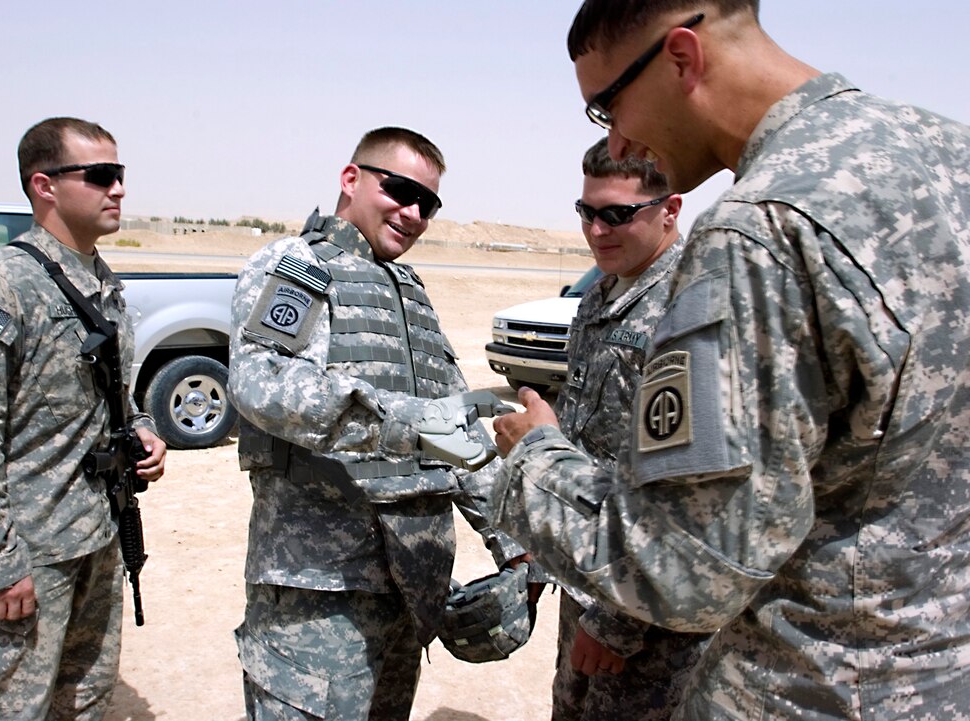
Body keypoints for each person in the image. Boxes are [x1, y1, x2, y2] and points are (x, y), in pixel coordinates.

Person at [485, 2, 970, 719]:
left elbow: (688, 565)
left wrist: (537, 460)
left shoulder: (758, 229)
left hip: (809, 689)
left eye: (606, 107)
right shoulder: (946, 153)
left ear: (682, 55)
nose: (618, 139)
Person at [229, 126, 529, 721]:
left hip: (408, 587)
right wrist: (401, 423)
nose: (413, 212)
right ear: (351, 180)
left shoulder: (409, 291)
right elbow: (262, 381)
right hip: (319, 591)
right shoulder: (300, 266)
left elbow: (455, 433)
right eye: (399, 189)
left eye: (429, 203)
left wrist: (516, 544)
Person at [0, 117, 167, 720]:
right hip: (28, 553)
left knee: (84, 701)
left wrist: (142, 430)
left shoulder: (99, 280)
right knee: (8, 710)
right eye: (101, 176)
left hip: (97, 534)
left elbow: (108, 394)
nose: (119, 190)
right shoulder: (0, 283)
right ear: (45, 186)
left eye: (120, 175)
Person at [548, 139, 709, 721]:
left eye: (617, 214)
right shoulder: (597, 299)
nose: (597, 229)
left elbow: (687, 493)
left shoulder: (689, 306)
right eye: (587, 211)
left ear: (671, 209)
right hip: (588, 580)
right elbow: (581, 438)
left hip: (647, 614)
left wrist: (615, 623)